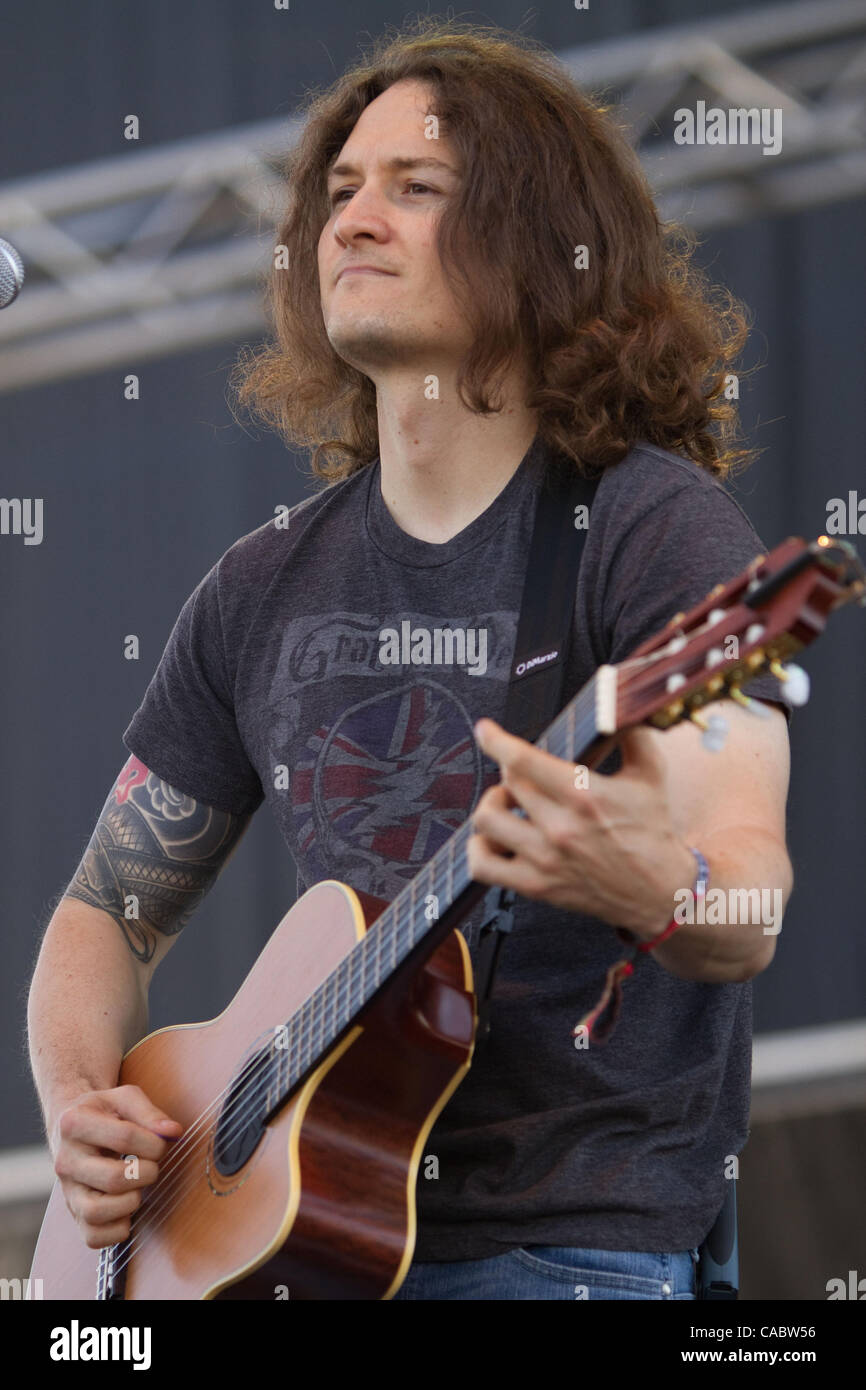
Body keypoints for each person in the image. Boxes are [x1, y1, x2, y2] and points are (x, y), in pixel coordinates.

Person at [28, 20, 793, 1301]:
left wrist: (653, 881)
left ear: (535, 240)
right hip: (291, 1249)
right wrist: (77, 1109)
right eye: (340, 192)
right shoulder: (260, 585)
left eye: (415, 188)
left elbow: (746, 902)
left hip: (564, 1246)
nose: (352, 220)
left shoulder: (652, 529)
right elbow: (101, 915)